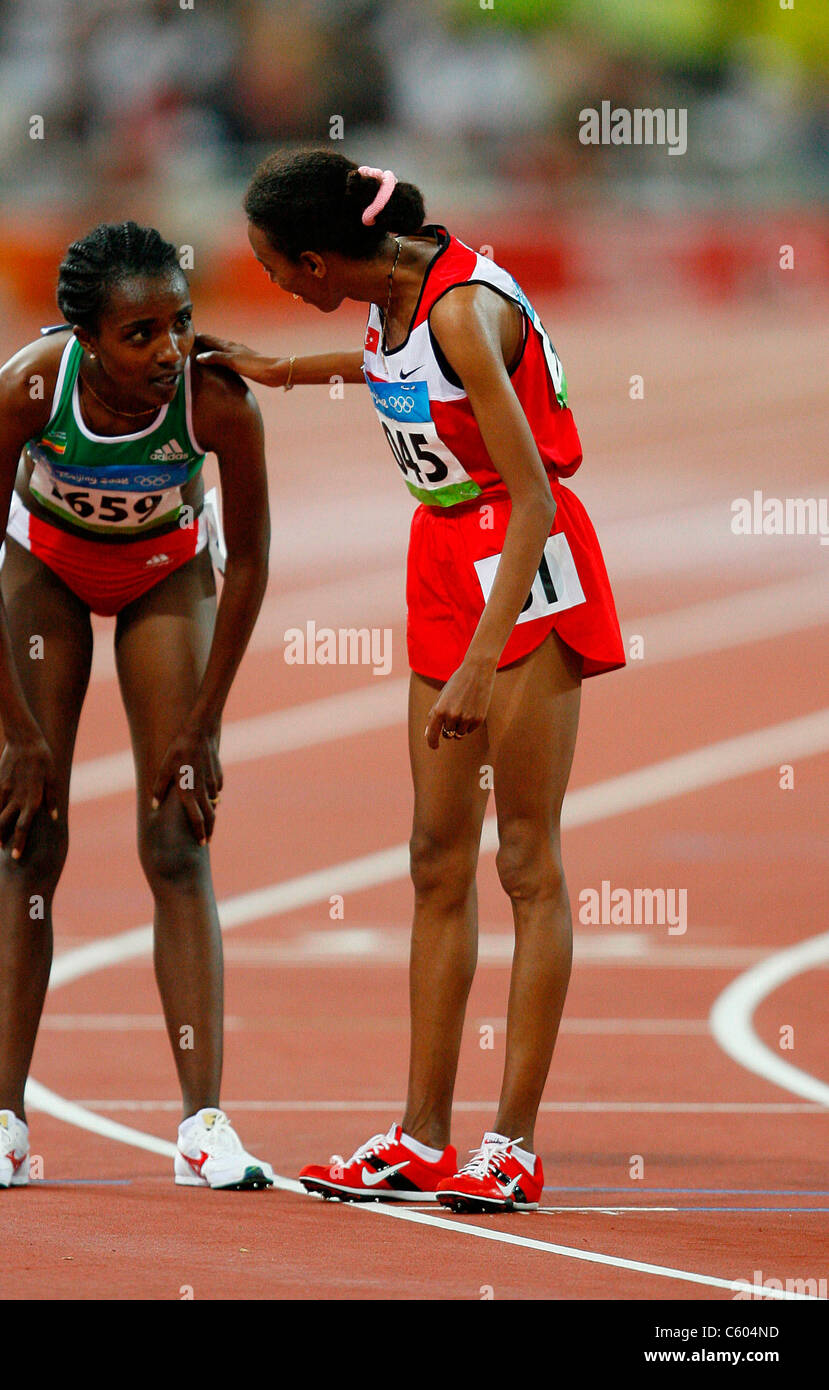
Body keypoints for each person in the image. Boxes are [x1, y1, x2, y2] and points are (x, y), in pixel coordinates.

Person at [197, 151, 625, 1213]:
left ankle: (512, 1144)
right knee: (436, 859)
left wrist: (484, 657)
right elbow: (392, 372)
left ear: (317, 257)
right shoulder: (394, 291)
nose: (274, 285)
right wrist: (278, 366)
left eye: (275, 270)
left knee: (526, 860)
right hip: (440, 557)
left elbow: (533, 497)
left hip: (523, 568)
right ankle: (422, 1136)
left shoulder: (463, 312)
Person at [0, 221, 273, 1192]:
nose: (168, 347)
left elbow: (248, 557)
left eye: (180, 322)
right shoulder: (27, 393)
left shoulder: (215, 400)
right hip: (43, 573)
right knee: (29, 839)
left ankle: (204, 1123)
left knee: (178, 836)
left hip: (166, 577)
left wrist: (205, 720)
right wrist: (20, 727)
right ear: (85, 337)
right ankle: (3, 1124)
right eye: (141, 334)